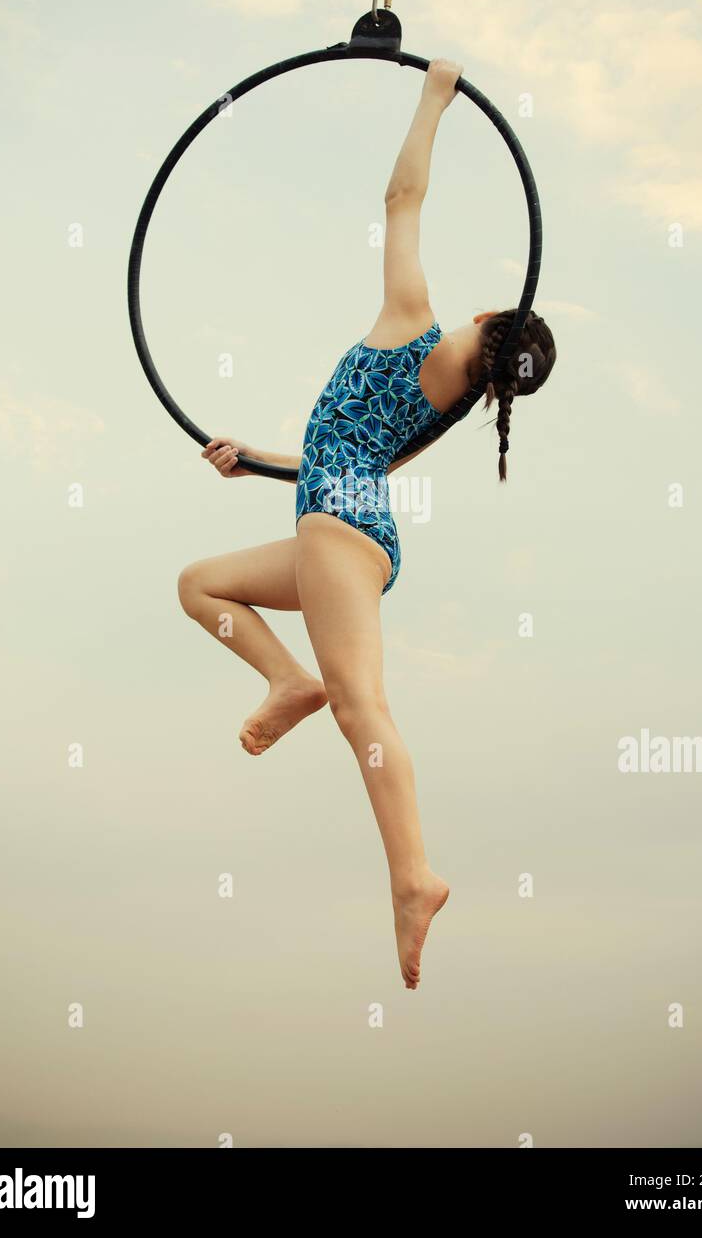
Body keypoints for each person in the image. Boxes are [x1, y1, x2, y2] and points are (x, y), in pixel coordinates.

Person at [178, 59, 556, 989]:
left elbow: (401, 198)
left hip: (340, 536)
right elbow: (343, 457)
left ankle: (412, 875)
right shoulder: (446, 404)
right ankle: (285, 680)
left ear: (486, 314)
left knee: (364, 710)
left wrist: (435, 96)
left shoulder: (412, 320)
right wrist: (252, 462)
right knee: (202, 586)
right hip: (339, 523)